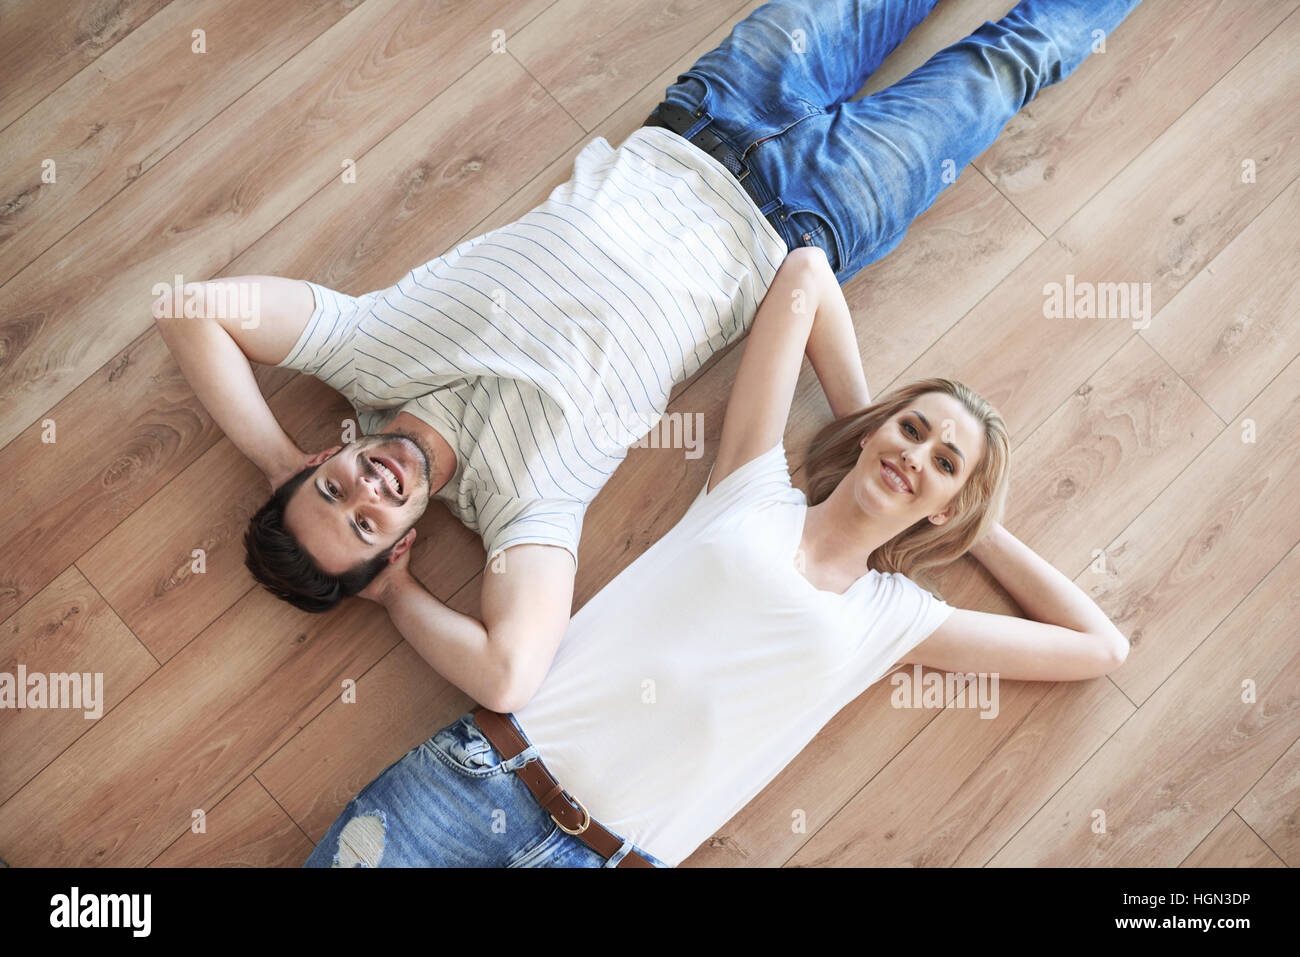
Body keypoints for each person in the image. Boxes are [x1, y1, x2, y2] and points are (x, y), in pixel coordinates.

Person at [155, 0, 1141, 716]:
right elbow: (509, 679)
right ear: (397, 543)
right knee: (1014, 59)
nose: (365, 490)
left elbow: (189, 309)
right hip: (814, 220)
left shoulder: (363, 352)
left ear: (326, 458)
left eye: (332, 492)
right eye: (369, 524)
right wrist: (399, 599)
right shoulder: (521, 511)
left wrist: (275, 461)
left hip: (708, 118)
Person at [303, 245, 1129, 867]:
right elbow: (804, 272)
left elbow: (1101, 648)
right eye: (912, 429)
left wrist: (972, 520)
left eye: (945, 463)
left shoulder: (897, 619)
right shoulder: (752, 485)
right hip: (478, 774)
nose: (917, 455)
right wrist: (874, 420)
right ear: (880, 426)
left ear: (951, 502)